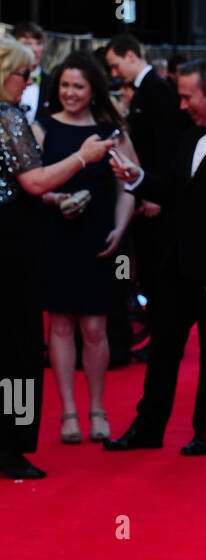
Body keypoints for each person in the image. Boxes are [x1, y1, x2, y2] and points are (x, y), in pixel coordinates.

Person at [105, 59, 206, 454]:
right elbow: (175, 191)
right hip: (176, 266)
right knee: (162, 349)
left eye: (187, 97)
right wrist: (138, 179)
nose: (182, 106)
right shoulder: (190, 134)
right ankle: (147, 430)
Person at [0, 36, 111, 479]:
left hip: (13, 241)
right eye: (24, 73)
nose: (29, 82)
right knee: (21, 350)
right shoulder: (8, 116)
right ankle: (11, 445)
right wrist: (82, 158)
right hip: (14, 250)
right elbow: (33, 182)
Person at [32, 53, 138, 443]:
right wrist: (54, 200)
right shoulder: (41, 129)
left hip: (99, 236)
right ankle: (68, 413)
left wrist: (119, 227)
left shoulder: (113, 131)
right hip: (57, 234)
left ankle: (97, 408)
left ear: (93, 88)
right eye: (64, 85)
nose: (70, 93)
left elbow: (129, 184)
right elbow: (30, 185)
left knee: (95, 328)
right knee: (59, 326)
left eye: (78, 86)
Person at [105, 35, 185, 361]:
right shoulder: (147, 89)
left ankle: (163, 343)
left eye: (114, 64)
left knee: (156, 275)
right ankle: (158, 338)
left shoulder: (156, 90)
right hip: (145, 191)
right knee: (149, 274)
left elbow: (165, 148)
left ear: (130, 55)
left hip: (154, 197)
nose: (114, 72)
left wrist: (154, 194)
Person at [10, 21, 52, 124]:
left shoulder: (53, 83)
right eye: (28, 43)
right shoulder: (6, 81)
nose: (35, 49)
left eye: (39, 43)